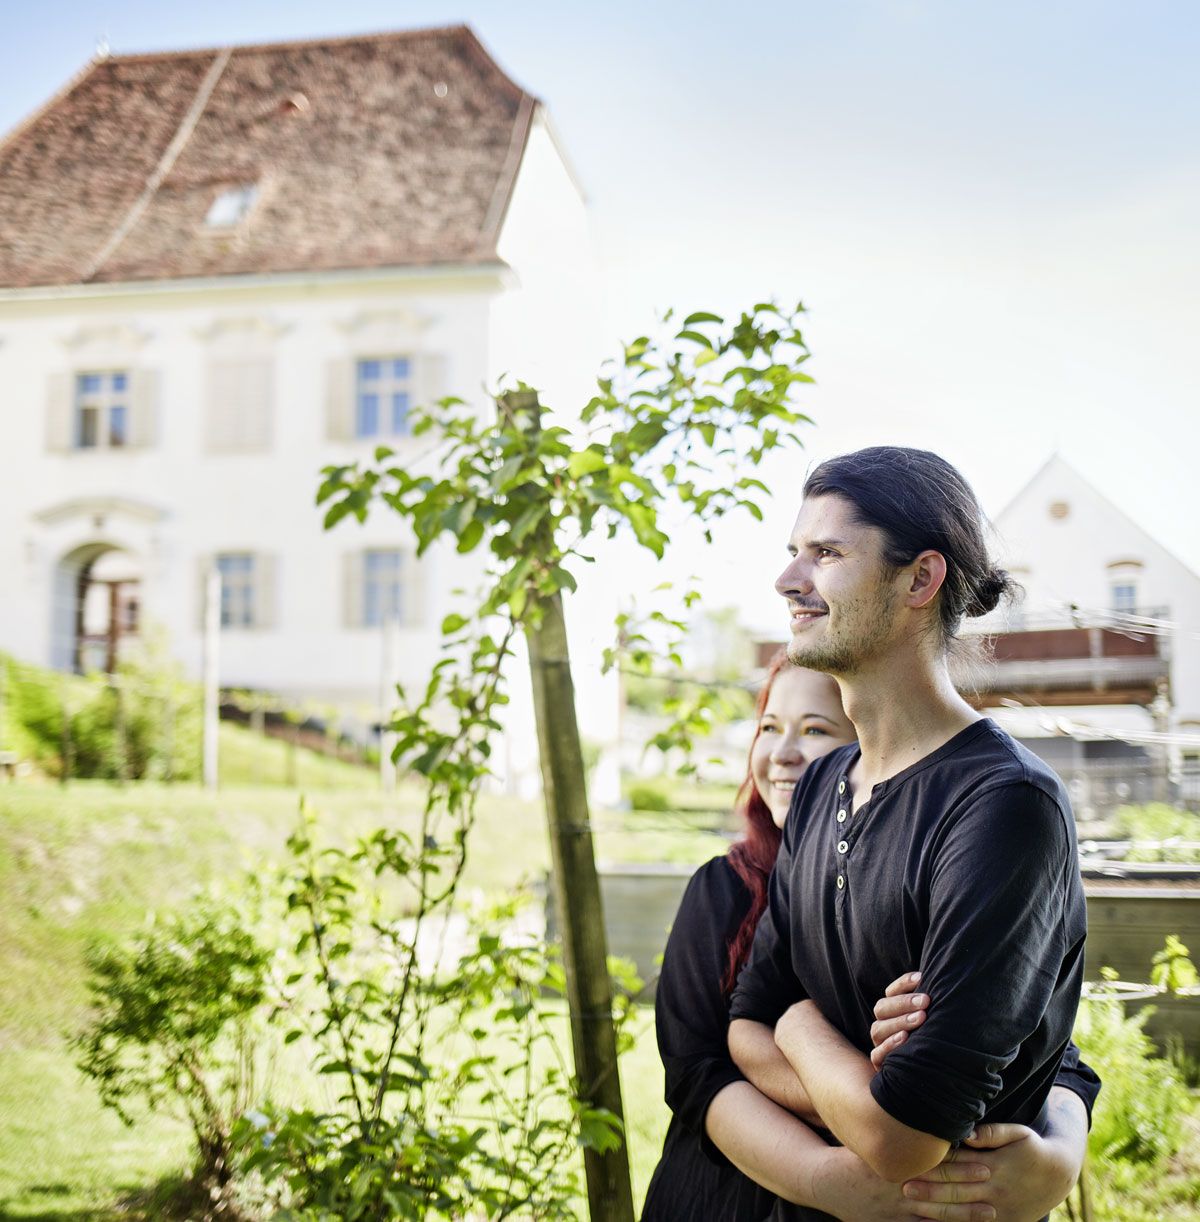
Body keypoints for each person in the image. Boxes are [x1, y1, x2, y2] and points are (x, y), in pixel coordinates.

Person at [728, 447, 1094, 1222]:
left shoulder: (1004, 806)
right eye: (795, 552)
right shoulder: (826, 783)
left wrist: (797, 1024)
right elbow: (747, 1023)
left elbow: (905, 1139)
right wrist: (840, 1062)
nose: (790, 579)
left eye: (825, 553)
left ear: (919, 580)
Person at [642, 649, 1099, 1220]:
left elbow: (1041, 1043)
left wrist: (1060, 1154)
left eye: (814, 729)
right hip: (733, 1194)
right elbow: (696, 1071)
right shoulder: (726, 889)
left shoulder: (949, 853)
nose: (784, 754)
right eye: (768, 727)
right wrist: (851, 1129)